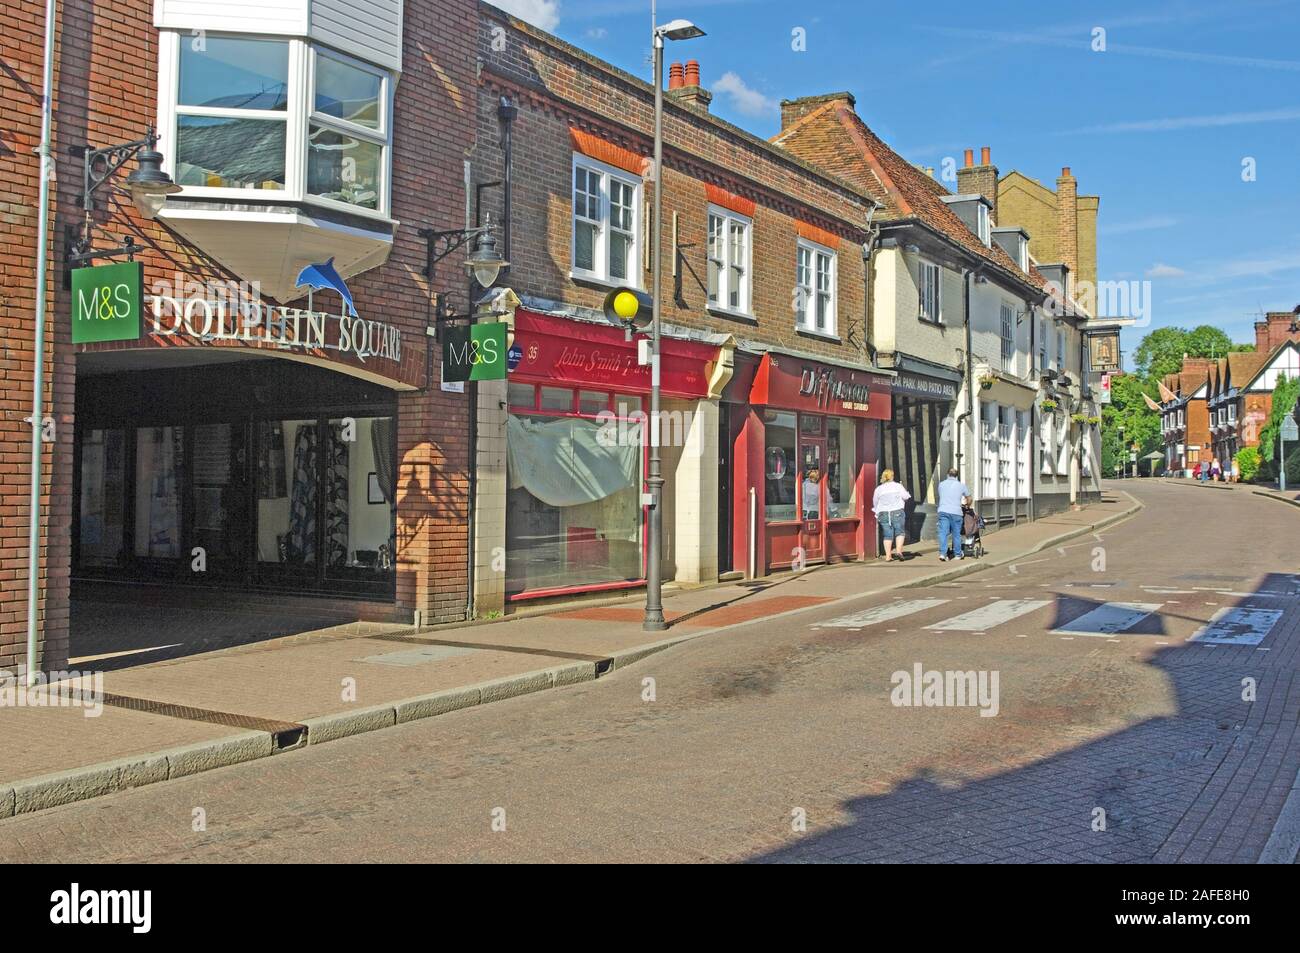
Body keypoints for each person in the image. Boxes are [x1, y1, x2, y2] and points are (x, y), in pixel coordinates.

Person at [872, 468, 910, 562]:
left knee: (887, 535)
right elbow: (905, 497)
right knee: (900, 532)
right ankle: (899, 551)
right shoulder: (897, 486)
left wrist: (877, 510)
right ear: (892, 476)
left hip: (883, 513)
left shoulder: (879, 489)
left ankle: (888, 556)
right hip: (897, 511)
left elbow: (875, 502)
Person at [936, 467, 971, 562]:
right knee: (956, 534)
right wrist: (967, 505)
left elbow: (941, 495)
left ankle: (943, 554)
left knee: (943, 533)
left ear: (947, 475)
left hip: (943, 510)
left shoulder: (941, 484)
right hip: (956, 512)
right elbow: (969, 498)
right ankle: (957, 554)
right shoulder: (961, 485)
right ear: (957, 475)